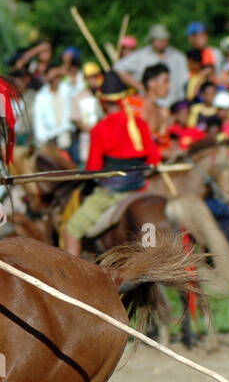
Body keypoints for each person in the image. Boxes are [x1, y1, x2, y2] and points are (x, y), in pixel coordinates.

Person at [61, 71, 161, 257]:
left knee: (72, 229)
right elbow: (154, 159)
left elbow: (93, 170)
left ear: (104, 101)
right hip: (141, 188)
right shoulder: (140, 123)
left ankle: (69, 282)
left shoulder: (99, 128)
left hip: (111, 194)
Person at [114, 24, 188, 107]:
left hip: (174, 104)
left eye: (163, 39)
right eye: (158, 40)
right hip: (150, 105)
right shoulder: (141, 55)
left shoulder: (178, 56)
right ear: (152, 40)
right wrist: (138, 85)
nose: (161, 43)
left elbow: (184, 81)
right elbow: (118, 68)